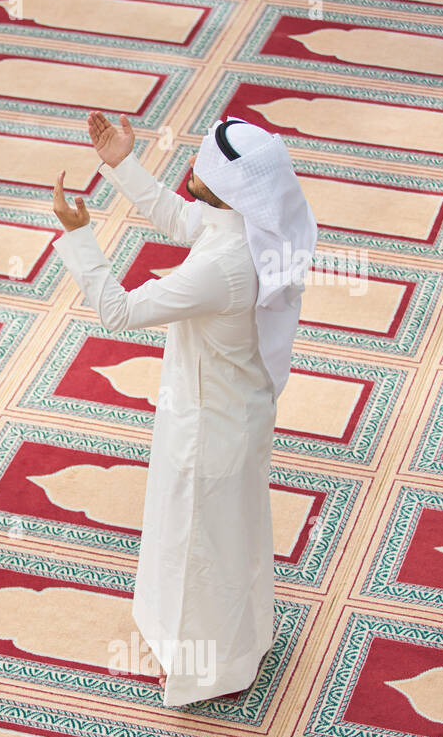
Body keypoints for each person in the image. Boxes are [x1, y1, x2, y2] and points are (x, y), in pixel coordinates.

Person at [50, 112, 317, 706]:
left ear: (225, 184)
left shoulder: (221, 268)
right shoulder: (246, 227)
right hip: (232, 414)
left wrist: (77, 236)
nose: (192, 165)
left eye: (203, 163)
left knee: (200, 547)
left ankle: (208, 673)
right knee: (228, 538)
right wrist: (120, 163)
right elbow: (180, 217)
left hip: (207, 430)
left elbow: (117, 312)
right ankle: (242, 643)